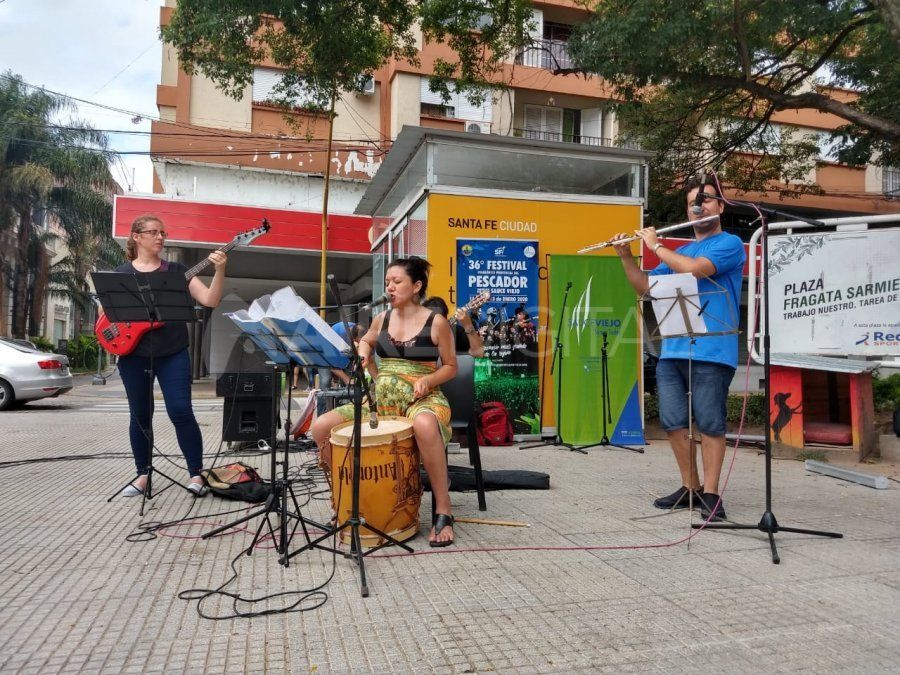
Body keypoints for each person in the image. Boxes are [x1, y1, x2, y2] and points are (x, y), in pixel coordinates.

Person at [611, 177, 745, 521]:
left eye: (706, 200)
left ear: (720, 206)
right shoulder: (679, 252)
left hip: (712, 351)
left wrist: (656, 246)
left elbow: (697, 271)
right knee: (673, 422)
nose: (699, 207)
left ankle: (711, 495)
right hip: (673, 350)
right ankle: (690, 487)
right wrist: (625, 256)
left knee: (710, 423)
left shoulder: (729, 244)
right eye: (692, 204)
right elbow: (646, 288)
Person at [310, 257, 458, 546]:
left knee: (425, 425)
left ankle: (443, 508)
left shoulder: (436, 322)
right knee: (321, 427)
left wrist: (429, 380)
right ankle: (343, 501)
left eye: (397, 281)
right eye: (388, 281)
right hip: (380, 400)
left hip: (422, 398)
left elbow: (451, 367)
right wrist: (365, 352)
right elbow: (367, 340)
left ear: (416, 286)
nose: (389, 286)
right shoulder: (381, 319)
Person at [115, 215, 227, 497]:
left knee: (180, 411)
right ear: (136, 237)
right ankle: (142, 475)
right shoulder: (121, 274)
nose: (160, 237)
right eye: (153, 232)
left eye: (163, 233)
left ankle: (196, 474)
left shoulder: (178, 271)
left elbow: (210, 299)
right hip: (133, 354)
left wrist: (220, 270)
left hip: (173, 352)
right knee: (140, 415)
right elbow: (107, 314)